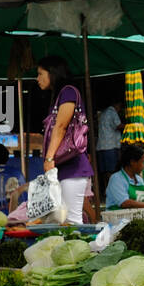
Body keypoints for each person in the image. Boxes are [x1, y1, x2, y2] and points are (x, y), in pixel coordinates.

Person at [36, 55, 93, 226]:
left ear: (52, 73)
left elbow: (60, 126)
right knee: (60, 222)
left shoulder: (68, 91)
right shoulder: (59, 95)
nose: (37, 79)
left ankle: (87, 251)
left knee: (72, 221)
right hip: (62, 168)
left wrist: (49, 157)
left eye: (40, 74)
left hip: (73, 167)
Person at [105, 143, 144, 211]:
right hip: (118, 219)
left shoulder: (139, 179)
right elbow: (124, 203)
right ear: (132, 162)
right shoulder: (116, 179)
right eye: (142, 162)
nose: (143, 166)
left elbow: (142, 202)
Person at [95, 102, 124, 193]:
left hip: (102, 146)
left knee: (105, 171)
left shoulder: (104, 112)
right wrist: (131, 126)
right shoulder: (112, 112)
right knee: (111, 170)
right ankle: (112, 190)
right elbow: (118, 125)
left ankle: (107, 190)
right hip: (110, 146)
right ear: (117, 104)